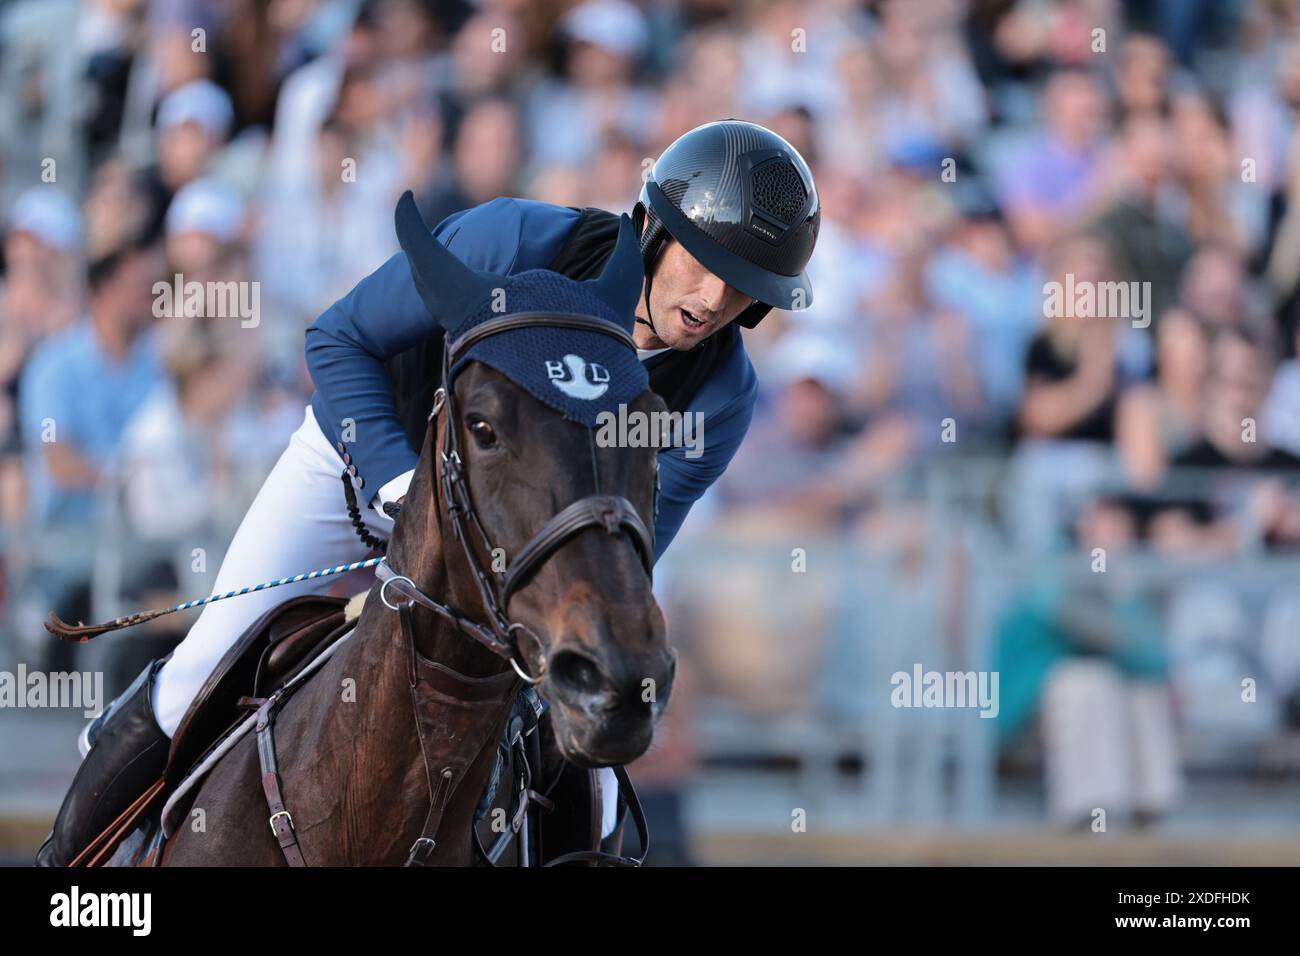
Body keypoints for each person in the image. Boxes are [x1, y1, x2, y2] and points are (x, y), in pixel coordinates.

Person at [37, 119, 823, 866]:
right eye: (704, 264)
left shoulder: (717, 397)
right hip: (358, 470)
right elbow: (337, 337)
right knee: (195, 674)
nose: (718, 302)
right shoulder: (515, 241)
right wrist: (397, 480)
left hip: (505, 554)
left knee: (597, 790)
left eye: (746, 291)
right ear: (655, 228)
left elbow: (637, 540)